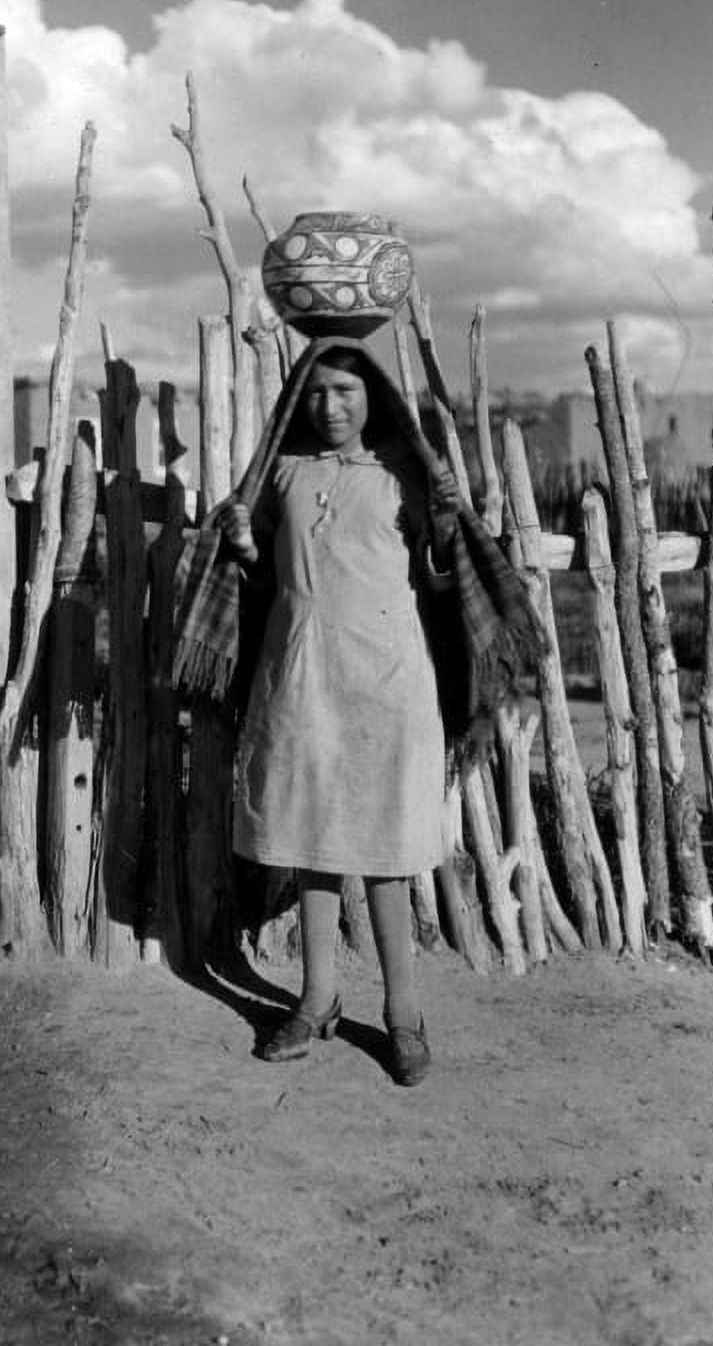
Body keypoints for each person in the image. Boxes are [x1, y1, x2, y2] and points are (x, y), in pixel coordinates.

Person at [203, 336, 534, 1086]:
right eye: (317, 393)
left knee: (386, 851)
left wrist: (447, 524)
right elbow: (258, 585)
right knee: (311, 840)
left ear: (373, 398)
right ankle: (316, 1000)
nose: (331, 407)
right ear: (299, 399)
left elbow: (445, 579)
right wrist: (243, 547)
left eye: (346, 393)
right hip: (303, 677)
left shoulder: (402, 475)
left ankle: (404, 1016)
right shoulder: (282, 473)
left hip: (388, 682)